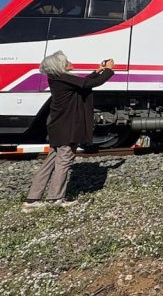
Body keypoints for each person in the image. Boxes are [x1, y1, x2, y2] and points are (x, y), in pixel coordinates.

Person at [22, 51, 115, 212]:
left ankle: (32, 199)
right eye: (66, 61)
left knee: (50, 162)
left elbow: (82, 82)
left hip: (57, 127)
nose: (69, 62)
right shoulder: (63, 78)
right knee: (64, 161)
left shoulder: (58, 78)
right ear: (60, 65)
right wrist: (108, 70)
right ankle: (55, 198)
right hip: (67, 127)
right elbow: (88, 85)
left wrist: (97, 71)